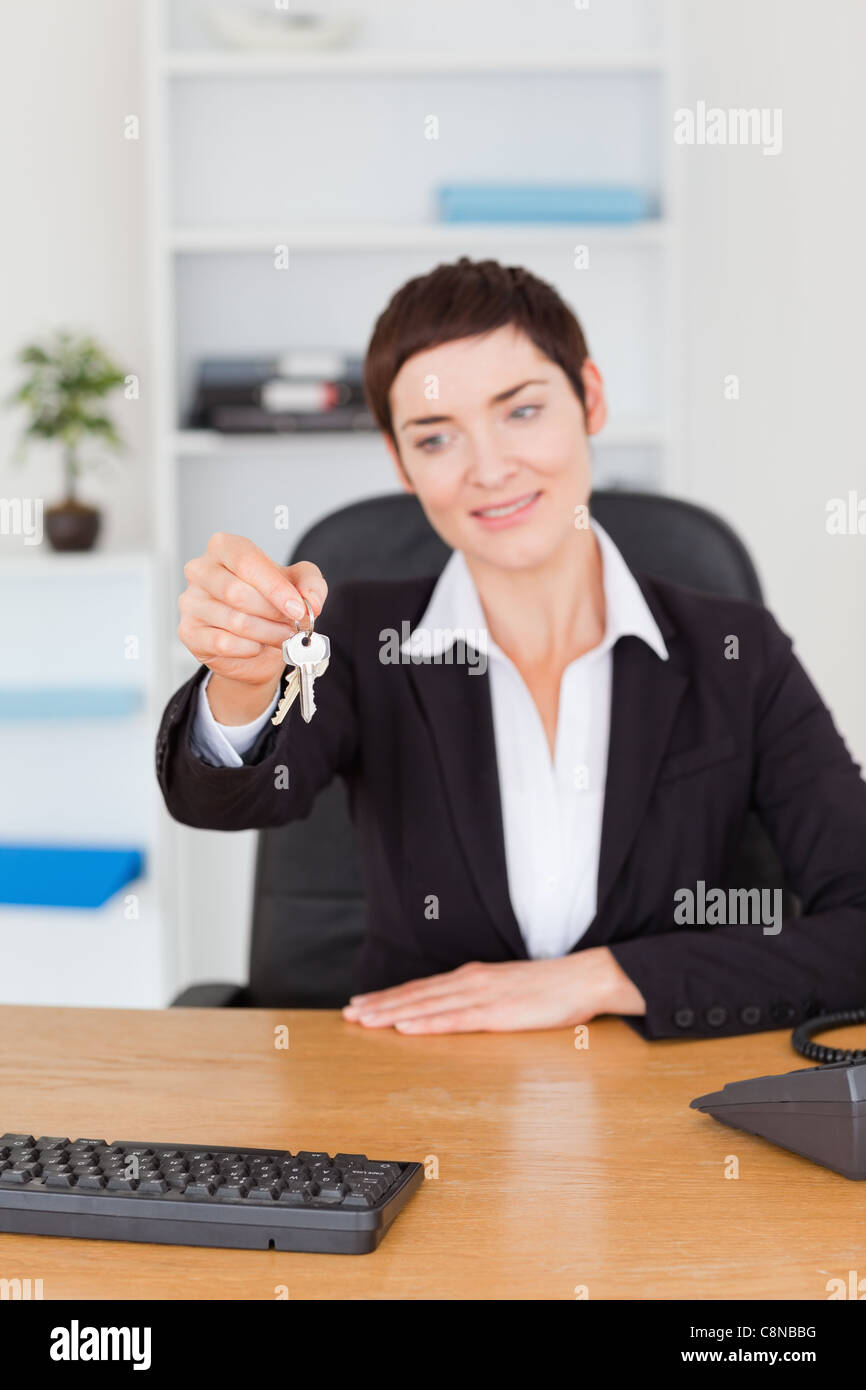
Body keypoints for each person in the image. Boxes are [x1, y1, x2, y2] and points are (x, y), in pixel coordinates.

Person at [156, 257, 866, 1040]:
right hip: (411, 1099)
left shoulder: (736, 650)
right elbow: (226, 800)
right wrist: (244, 682)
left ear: (589, 398)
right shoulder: (359, 637)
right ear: (402, 464)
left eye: (520, 411)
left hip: (660, 1111)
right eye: (436, 437)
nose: (489, 469)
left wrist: (605, 977)